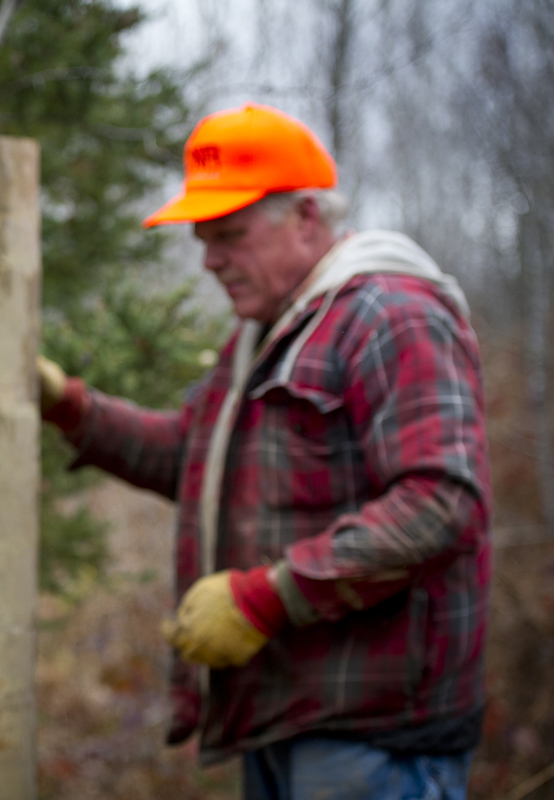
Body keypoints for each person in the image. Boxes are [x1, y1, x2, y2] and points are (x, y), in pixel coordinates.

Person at [39, 104, 491, 799]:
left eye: (231, 235)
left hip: (374, 736)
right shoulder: (273, 330)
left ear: (307, 217)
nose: (210, 259)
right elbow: (192, 458)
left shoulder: (389, 316)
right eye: (203, 237)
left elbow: (441, 504)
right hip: (288, 715)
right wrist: (70, 407)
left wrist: (267, 596)